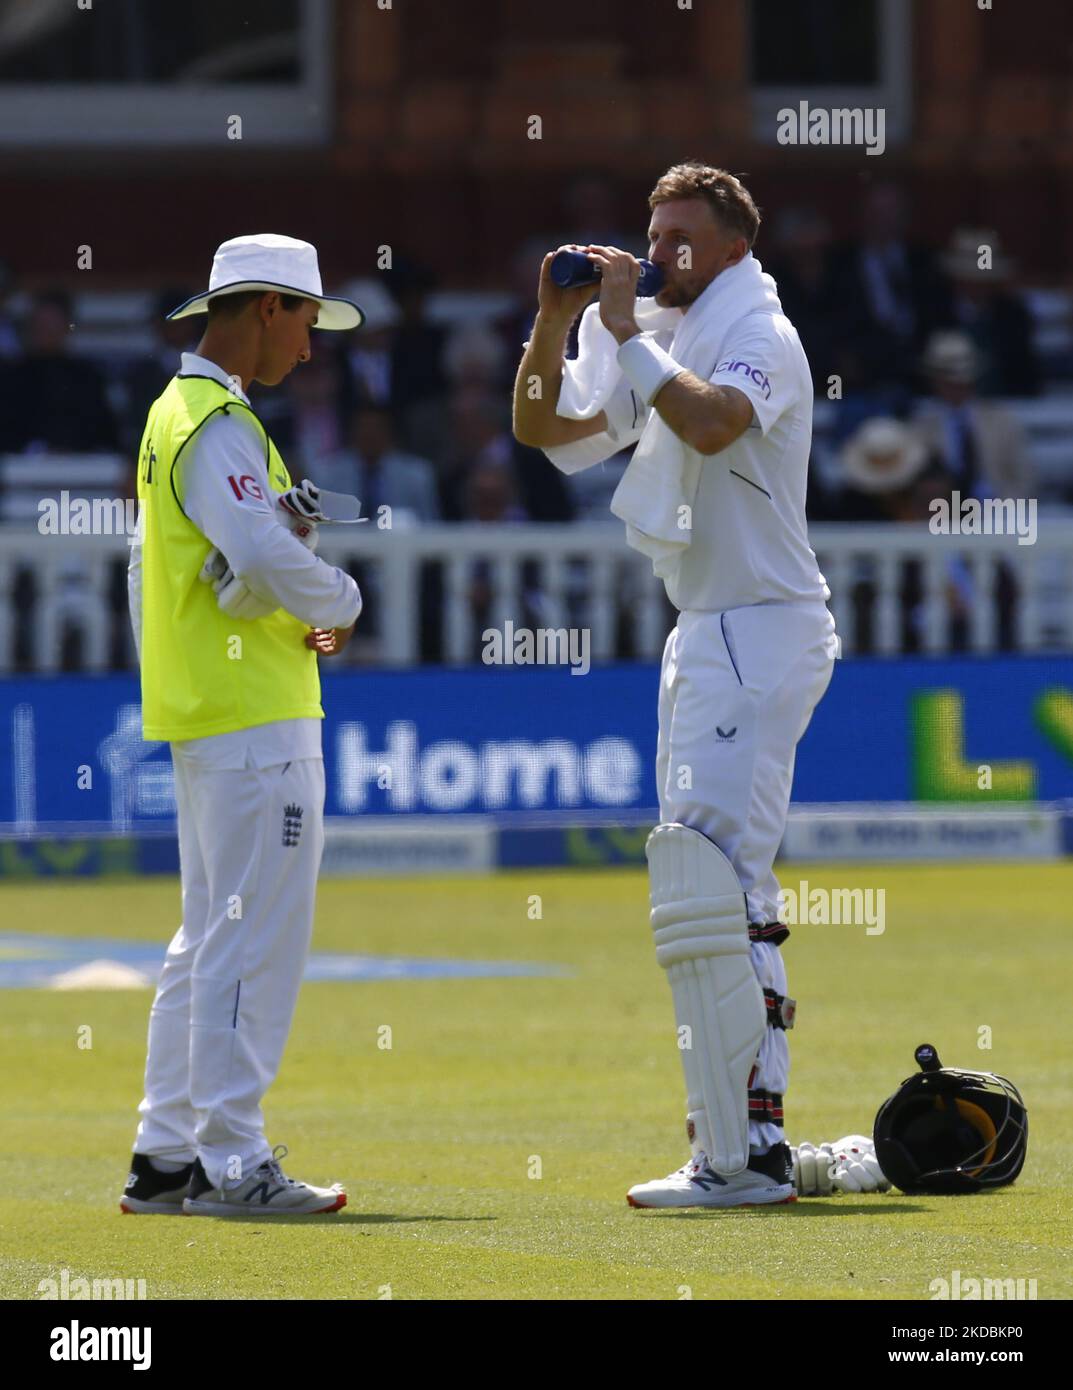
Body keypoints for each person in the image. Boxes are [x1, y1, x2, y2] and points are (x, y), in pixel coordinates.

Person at [513, 162, 872, 1209]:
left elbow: (713, 424)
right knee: (705, 887)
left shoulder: (758, 332)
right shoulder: (664, 335)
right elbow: (545, 430)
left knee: (717, 889)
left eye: (679, 237)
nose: (656, 250)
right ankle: (737, 1144)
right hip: (708, 623)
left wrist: (624, 330)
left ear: (731, 248)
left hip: (760, 624)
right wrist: (553, 322)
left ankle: (742, 1156)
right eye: (650, 231)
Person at [121, 234, 364, 1217]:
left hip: (214, 714)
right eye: (305, 321)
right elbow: (257, 547)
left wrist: (282, 597)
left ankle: (167, 1156)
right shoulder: (215, 421)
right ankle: (232, 1158)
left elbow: (219, 575)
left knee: (207, 940)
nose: (309, 346)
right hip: (253, 723)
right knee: (250, 942)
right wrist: (339, 596)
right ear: (267, 307)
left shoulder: (178, 417)